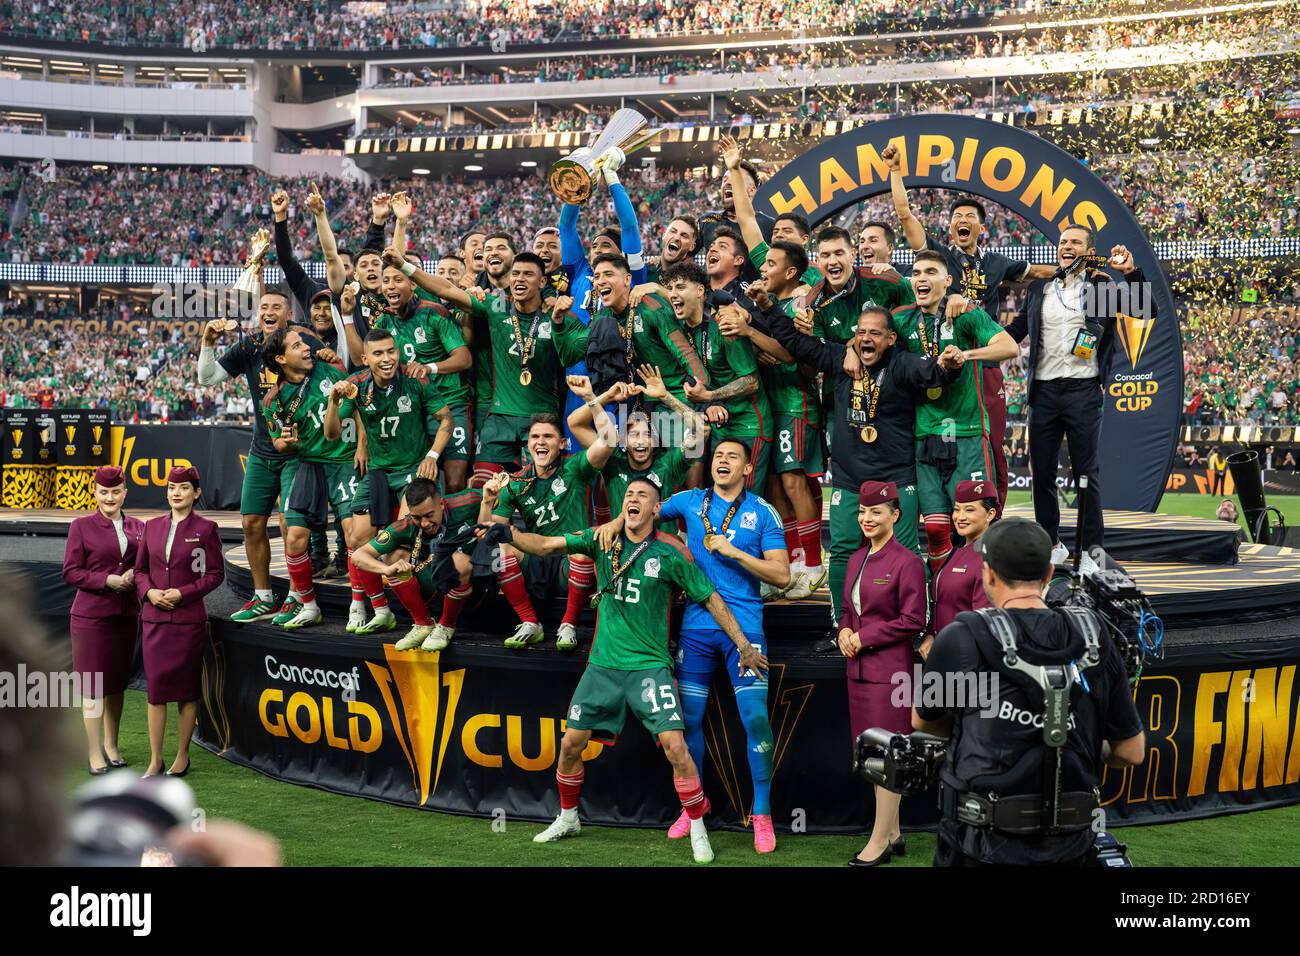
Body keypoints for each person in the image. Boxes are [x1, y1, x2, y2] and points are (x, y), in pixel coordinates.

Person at [480, 477, 767, 864]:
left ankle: (698, 827)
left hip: (649, 667)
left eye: (642, 496)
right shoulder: (602, 539)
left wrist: (743, 645)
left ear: (656, 509)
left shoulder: (673, 552)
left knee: (676, 748)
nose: (633, 499)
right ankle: (568, 817)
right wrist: (511, 534)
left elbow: (710, 598)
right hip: (602, 667)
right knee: (570, 745)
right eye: (629, 494)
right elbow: (547, 545)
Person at [913, 517, 1147, 866]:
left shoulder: (960, 636)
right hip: (1071, 845)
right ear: (1049, 574)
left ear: (988, 574)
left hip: (977, 846)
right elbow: (1131, 752)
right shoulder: (1093, 632)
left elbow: (924, 722)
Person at [769, 303, 963, 629]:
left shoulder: (901, 364)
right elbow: (794, 341)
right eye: (860, 332)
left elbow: (931, 372)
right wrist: (766, 306)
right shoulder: (838, 358)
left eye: (875, 332)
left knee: (905, 551)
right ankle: (841, 625)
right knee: (842, 552)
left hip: (896, 477)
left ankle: (914, 622)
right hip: (849, 479)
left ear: (890, 339)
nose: (866, 338)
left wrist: (948, 366)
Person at [885, 144, 1057, 508]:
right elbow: (904, 214)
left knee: (991, 441)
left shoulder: (996, 262)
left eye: (969, 216)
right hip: (938, 364)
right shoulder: (938, 257)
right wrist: (897, 170)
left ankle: (989, 514)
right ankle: (937, 514)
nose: (961, 220)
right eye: (955, 216)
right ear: (950, 227)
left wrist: (1080, 268)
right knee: (932, 439)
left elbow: (1039, 272)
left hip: (981, 362)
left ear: (981, 226)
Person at [652, 438, 789, 853]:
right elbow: (640, 508)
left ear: (748, 469)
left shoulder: (762, 512)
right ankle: (695, 807)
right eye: (718, 456)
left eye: (733, 456)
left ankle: (761, 812)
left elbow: (782, 575)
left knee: (755, 721)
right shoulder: (689, 502)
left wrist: (734, 553)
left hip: (745, 633)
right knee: (687, 723)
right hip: (695, 629)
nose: (722, 461)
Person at [1003, 228, 1147, 562]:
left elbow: (1145, 310)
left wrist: (1129, 273)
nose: (1067, 247)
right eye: (1063, 242)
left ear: (1089, 251)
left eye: (1075, 243)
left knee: (1085, 474)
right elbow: (1015, 332)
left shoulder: (1097, 288)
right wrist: (976, 327)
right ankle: (1050, 544)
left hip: (1083, 390)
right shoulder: (1041, 288)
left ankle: (1090, 550)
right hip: (1044, 391)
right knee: (1041, 473)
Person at [196, 287, 326, 623]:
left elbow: (332, 375)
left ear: (287, 314)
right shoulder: (250, 346)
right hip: (262, 449)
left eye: (276, 307)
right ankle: (263, 595)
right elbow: (207, 378)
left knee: (290, 525)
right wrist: (208, 342)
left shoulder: (304, 341)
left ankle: (297, 596)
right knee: (251, 522)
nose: (268, 312)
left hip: (299, 452)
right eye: (263, 307)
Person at [888, 250, 1019, 569]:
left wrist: (965, 355)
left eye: (930, 272)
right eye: (916, 273)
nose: (922, 278)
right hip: (927, 436)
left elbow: (1009, 347)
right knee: (934, 528)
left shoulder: (965, 314)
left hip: (969, 435)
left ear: (947, 281)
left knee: (975, 526)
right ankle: (941, 596)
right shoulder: (902, 320)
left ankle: (978, 600)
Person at [324, 327, 452, 635]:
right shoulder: (355, 386)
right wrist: (333, 399)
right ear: (365, 358)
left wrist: (432, 456)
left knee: (399, 549)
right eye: (378, 354)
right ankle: (379, 609)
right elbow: (331, 434)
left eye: (391, 351)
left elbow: (446, 419)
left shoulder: (416, 379)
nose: (387, 359)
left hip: (413, 470)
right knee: (357, 541)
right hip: (379, 472)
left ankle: (423, 621)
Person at [480, 392, 622, 650]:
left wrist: (593, 397)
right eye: (535, 437)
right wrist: (487, 502)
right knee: (500, 546)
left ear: (563, 443)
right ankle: (529, 622)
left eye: (548, 436)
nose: (541, 442)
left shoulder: (576, 468)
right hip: (535, 560)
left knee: (582, 547)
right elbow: (486, 533)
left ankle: (568, 625)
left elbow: (610, 440)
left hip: (569, 563)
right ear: (527, 444)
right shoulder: (515, 482)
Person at [838, 480, 928, 867]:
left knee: (889, 757)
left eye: (876, 512)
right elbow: (847, 609)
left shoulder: (907, 561)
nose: (866, 518)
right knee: (872, 758)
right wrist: (844, 630)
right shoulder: (857, 559)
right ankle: (893, 833)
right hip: (857, 672)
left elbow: (913, 620)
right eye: (862, 512)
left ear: (895, 515)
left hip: (889, 673)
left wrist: (862, 636)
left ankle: (878, 844)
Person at [260, 327, 359, 629]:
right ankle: (308, 604)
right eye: (297, 345)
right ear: (281, 358)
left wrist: (363, 447)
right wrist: (284, 443)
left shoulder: (330, 368)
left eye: (304, 343)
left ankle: (358, 605)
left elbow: (358, 408)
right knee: (294, 536)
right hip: (309, 463)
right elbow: (278, 441)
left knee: (353, 532)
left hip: (344, 460)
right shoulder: (273, 401)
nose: (306, 348)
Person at [134, 466, 225, 778]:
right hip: (155, 619)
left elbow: (215, 574)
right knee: (156, 692)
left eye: (183, 487)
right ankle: (155, 759)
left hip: (188, 621)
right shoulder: (151, 527)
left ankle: (182, 755)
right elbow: (139, 571)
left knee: (187, 692)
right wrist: (149, 593)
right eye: (172, 487)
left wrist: (182, 594)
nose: (176, 492)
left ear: (196, 493)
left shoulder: (208, 529)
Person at [62, 465, 144, 774]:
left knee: (116, 686)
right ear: (95, 493)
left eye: (115, 492)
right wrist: (106, 580)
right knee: (93, 686)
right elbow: (71, 571)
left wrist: (137, 573)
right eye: (103, 492)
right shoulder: (81, 526)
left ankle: (112, 744)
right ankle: (94, 751)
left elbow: (145, 565)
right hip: (91, 617)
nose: (109, 497)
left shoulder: (139, 526)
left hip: (126, 615)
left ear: (125, 492)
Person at [567, 364, 707, 532]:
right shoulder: (613, 461)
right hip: (623, 550)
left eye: (647, 435)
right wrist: (604, 397)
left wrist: (665, 396)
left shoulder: (669, 464)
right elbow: (575, 424)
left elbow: (702, 429)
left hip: (662, 552)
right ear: (623, 441)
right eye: (634, 435)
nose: (640, 441)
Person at [350, 478, 482, 652]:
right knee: (395, 556)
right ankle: (423, 624)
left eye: (429, 515)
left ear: (441, 504)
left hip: (475, 589)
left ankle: (446, 626)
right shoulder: (404, 526)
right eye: (417, 517)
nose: (425, 524)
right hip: (435, 589)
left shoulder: (468, 500)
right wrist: (386, 570)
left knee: (457, 561)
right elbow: (358, 556)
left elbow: (504, 493)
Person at [923, 479, 996, 660]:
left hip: (966, 660)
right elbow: (942, 603)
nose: (960, 517)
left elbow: (983, 622)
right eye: (957, 509)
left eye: (969, 509)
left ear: (990, 514)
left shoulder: (991, 557)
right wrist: (931, 634)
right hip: (943, 656)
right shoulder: (956, 552)